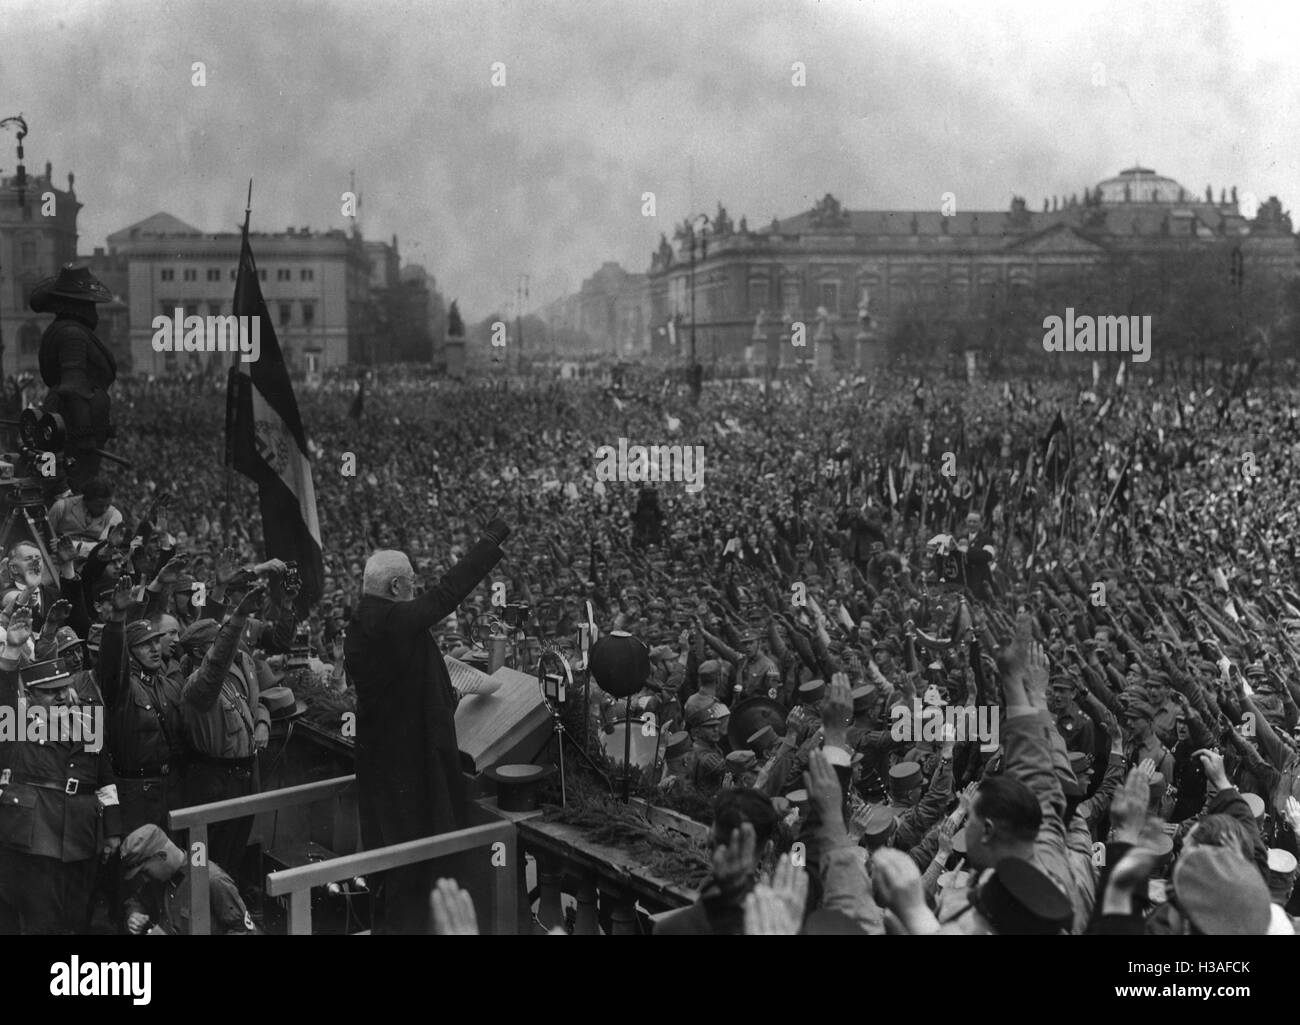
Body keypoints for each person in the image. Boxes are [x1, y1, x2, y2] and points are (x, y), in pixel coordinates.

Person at [344, 520, 510, 934]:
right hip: (410, 770)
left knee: (394, 871)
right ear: (395, 587)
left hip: (381, 764)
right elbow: (446, 595)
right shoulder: (391, 620)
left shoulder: (362, 621)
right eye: (411, 583)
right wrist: (490, 542)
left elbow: (400, 681)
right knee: (414, 873)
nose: (415, 589)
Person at [0, 654, 122, 934]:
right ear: (29, 696)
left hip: (81, 836)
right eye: (50, 691)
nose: (62, 697)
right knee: (42, 923)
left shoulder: (87, 722)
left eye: (65, 688)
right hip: (37, 840)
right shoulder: (16, 725)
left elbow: (105, 780)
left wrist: (112, 829)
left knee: (77, 919)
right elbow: (4, 697)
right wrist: (10, 657)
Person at [29, 264, 117, 492]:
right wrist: (85, 433)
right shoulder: (73, 335)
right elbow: (73, 386)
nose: (94, 311)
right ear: (78, 305)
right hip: (72, 427)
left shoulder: (64, 329)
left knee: (65, 486)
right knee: (75, 490)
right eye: (90, 304)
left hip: (67, 422)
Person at [119, 824, 255, 935]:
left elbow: (244, 930)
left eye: (145, 871)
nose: (144, 877)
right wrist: (134, 915)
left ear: (161, 856)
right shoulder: (159, 879)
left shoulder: (211, 879)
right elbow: (137, 900)